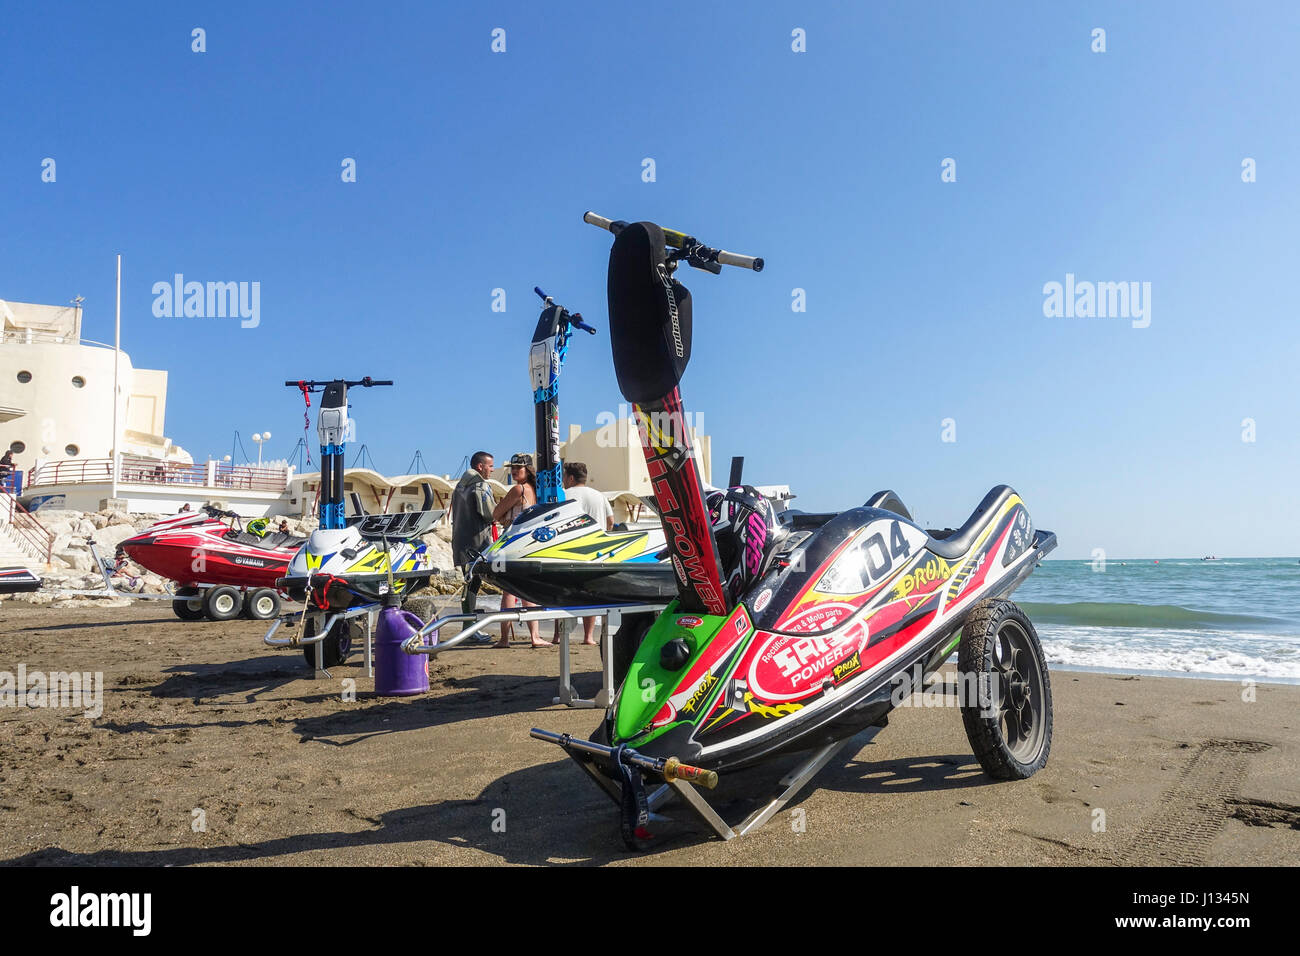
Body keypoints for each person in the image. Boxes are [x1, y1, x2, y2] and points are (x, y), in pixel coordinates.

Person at [554, 461, 614, 646]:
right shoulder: (599, 495)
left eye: (564, 477)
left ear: (570, 478)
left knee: (562, 592)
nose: (563, 480)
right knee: (591, 594)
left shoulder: (564, 494)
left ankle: (558, 635)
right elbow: (610, 522)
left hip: (570, 549)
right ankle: (588, 637)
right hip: (597, 550)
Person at [492, 453, 546, 647]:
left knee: (509, 591)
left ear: (527, 470)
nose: (514, 471)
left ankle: (504, 638)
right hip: (532, 544)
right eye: (512, 468)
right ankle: (535, 636)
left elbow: (496, 513)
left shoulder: (518, 489)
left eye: (518, 468)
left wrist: (505, 519)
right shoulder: (538, 491)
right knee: (528, 591)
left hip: (513, 543)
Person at [451, 451, 496, 616]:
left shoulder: (459, 487)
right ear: (480, 466)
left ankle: (468, 622)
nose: (492, 470)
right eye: (490, 466)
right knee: (473, 584)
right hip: (477, 544)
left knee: (468, 583)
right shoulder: (480, 486)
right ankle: (469, 624)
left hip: (460, 542)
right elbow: (490, 514)